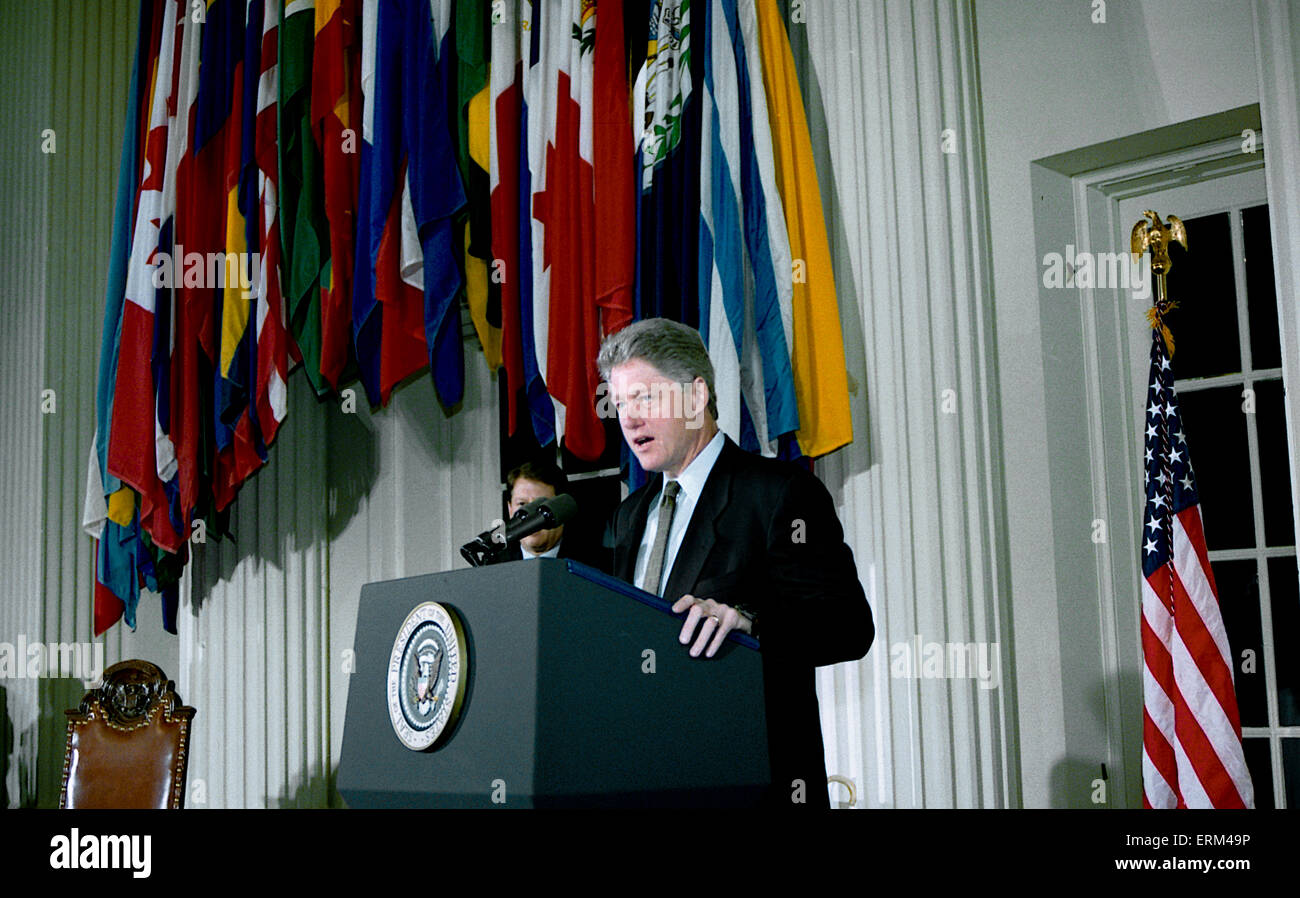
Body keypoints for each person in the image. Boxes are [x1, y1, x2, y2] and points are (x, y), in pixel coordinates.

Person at [598, 317, 874, 808]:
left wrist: (751, 620)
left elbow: (849, 627)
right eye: (620, 404)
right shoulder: (627, 517)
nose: (629, 420)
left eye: (644, 398)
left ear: (696, 396)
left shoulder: (779, 495)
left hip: (753, 786)